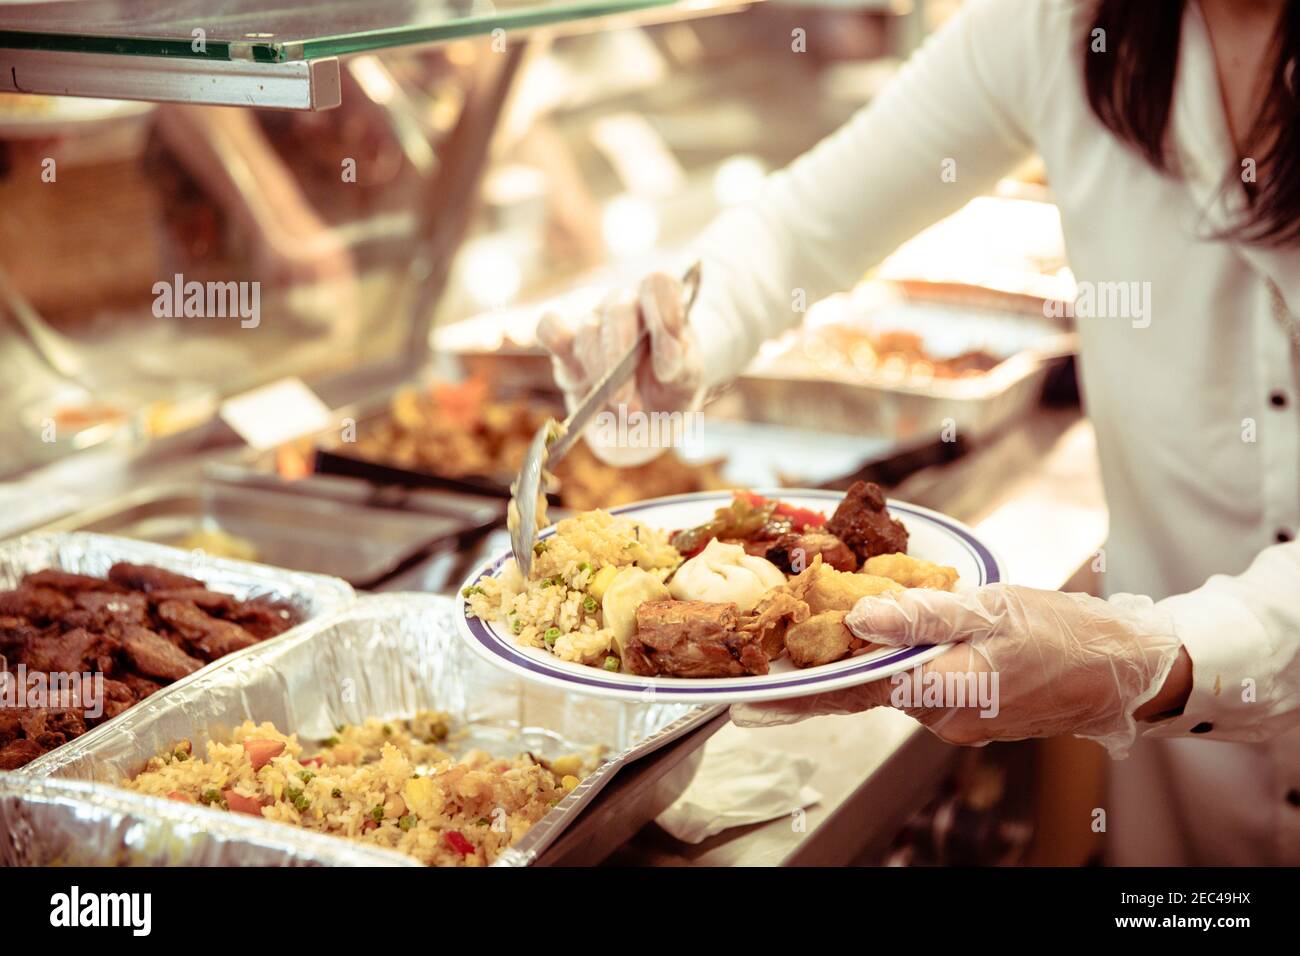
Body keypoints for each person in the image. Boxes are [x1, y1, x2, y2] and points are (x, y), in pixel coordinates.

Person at [538, 0, 1300, 866]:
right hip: (1178, 790)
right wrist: (677, 341)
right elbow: (804, 228)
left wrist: (1149, 658)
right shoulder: (1060, 25)